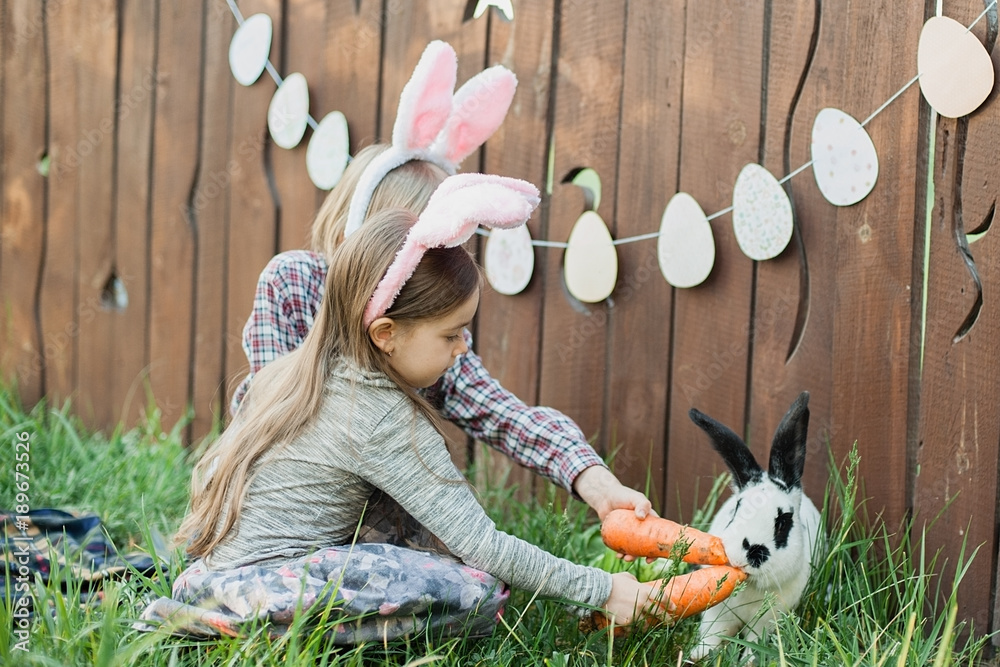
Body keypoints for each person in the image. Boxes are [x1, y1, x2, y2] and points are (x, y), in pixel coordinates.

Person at [138, 176, 663, 641]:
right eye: (453, 334)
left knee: (433, 552)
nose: (464, 349)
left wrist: (591, 480)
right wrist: (602, 589)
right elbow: (483, 545)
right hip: (261, 589)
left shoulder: (309, 367)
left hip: (220, 574)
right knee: (476, 590)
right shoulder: (380, 416)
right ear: (386, 334)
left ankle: (221, 611)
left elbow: (506, 416)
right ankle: (230, 627)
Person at [230, 143, 654, 530]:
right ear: (356, 236)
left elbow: (504, 414)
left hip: (378, 524)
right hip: (280, 515)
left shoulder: (425, 330)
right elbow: (267, 415)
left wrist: (593, 480)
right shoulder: (295, 284)